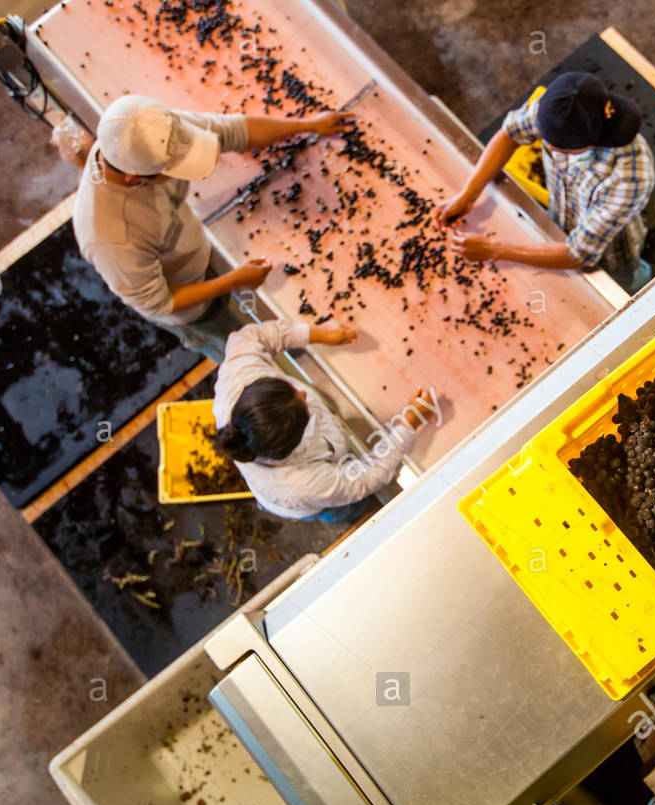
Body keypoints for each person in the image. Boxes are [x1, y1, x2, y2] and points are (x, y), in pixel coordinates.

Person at [73, 94, 356, 362]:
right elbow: (160, 302)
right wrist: (233, 281)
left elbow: (232, 131)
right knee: (248, 354)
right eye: (173, 170)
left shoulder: (150, 128)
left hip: (194, 252)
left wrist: (308, 125)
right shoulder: (109, 236)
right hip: (194, 310)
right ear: (136, 179)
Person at [434, 72, 655, 293]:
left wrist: (494, 250)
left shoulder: (631, 176)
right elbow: (510, 133)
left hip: (611, 251)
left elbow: (579, 254)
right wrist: (467, 195)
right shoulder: (560, 106)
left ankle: (639, 282)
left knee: (625, 278)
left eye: (560, 146)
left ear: (591, 144)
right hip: (559, 216)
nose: (549, 148)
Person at [212, 316, 438, 522]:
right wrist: (408, 423)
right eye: (304, 409)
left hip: (316, 467)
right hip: (308, 502)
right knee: (340, 509)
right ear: (293, 445)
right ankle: (354, 512)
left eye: (289, 388)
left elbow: (252, 337)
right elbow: (366, 479)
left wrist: (315, 334)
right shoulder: (302, 484)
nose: (302, 394)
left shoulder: (238, 379)